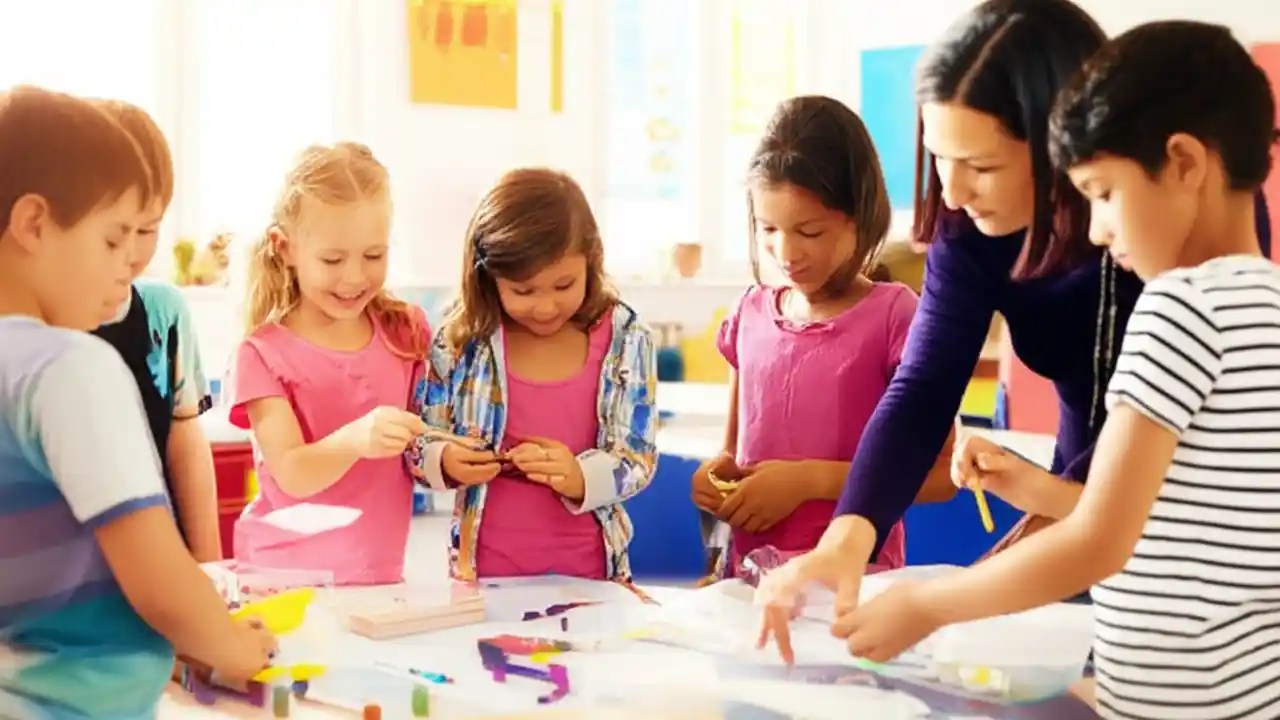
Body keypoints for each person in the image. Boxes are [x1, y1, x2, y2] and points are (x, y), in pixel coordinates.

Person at [755, 0, 1272, 662]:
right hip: (1087, 502)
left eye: (983, 165)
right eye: (940, 158)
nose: (953, 191)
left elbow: (1147, 487)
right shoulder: (971, 228)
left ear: (1064, 143)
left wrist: (1057, 523)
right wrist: (845, 541)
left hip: (1179, 528)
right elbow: (923, 388)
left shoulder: (1178, 213)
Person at [0, 85, 274, 718]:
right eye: (112, 239)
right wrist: (231, 644)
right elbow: (157, 578)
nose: (128, 265)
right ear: (35, 223)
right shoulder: (70, 367)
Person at [689, 95, 955, 583]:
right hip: (748, 584)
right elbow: (731, 459)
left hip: (856, 584)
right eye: (768, 228)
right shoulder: (749, 313)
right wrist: (711, 485)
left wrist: (809, 481)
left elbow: (942, 474)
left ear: (860, 214)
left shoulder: (896, 317)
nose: (786, 252)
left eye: (809, 231)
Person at [409, 168, 658, 582]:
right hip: (481, 575)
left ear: (592, 258)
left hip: (593, 577)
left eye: (563, 285)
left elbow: (638, 456)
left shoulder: (626, 338)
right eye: (523, 291)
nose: (544, 307)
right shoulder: (460, 339)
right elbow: (419, 439)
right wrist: (444, 459)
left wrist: (580, 476)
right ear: (489, 277)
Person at [226, 142, 430, 585]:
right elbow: (292, 473)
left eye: (373, 256)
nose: (354, 277)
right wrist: (356, 439)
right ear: (286, 249)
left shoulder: (406, 332)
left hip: (378, 576)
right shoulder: (261, 353)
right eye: (333, 260)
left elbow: (430, 443)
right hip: (281, 580)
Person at [91, 99, 222, 562]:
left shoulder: (164, 312)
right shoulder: (39, 326)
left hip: (162, 562)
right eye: (112, 235)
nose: (130, 252)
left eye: (148, 230)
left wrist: (208, 567)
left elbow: (184, 441)